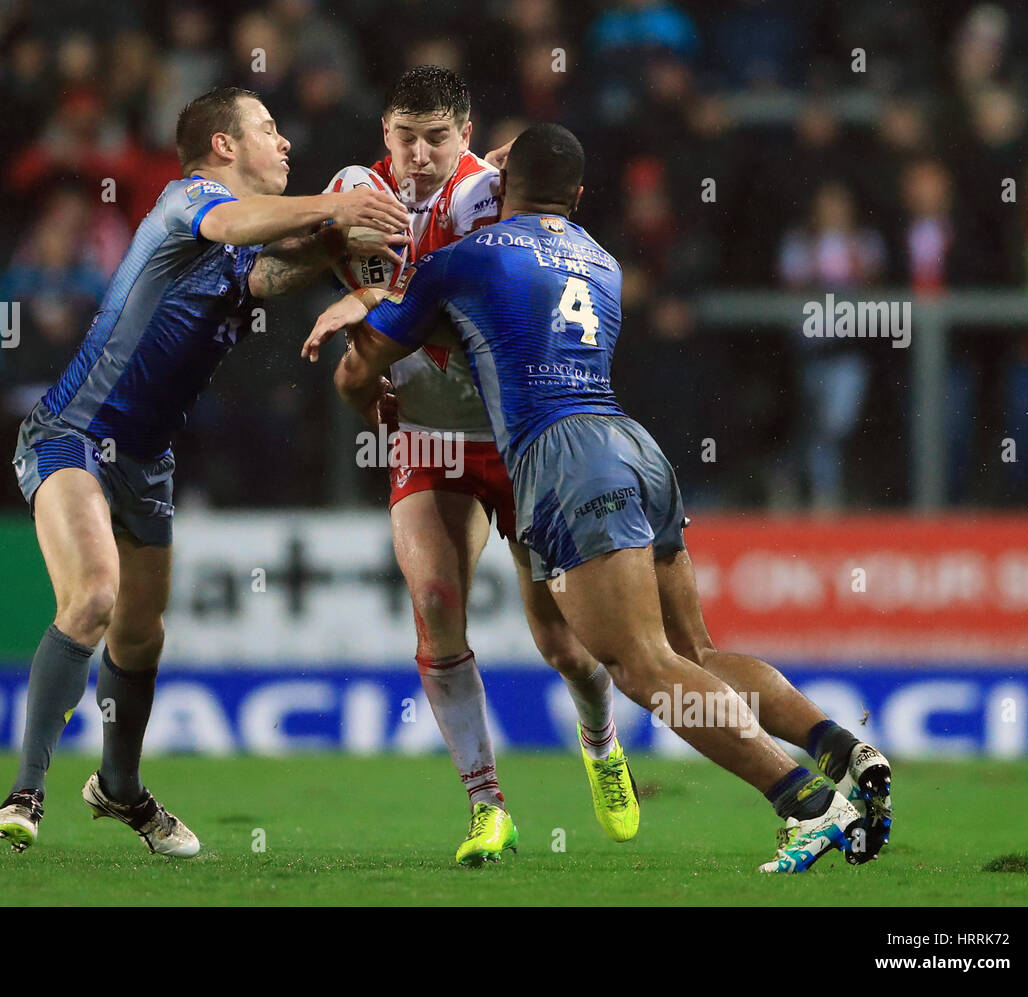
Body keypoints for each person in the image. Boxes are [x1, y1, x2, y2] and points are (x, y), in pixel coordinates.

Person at [306, 123, 893, 872]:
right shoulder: (603, 261)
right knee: (695, 652)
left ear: (498, 188)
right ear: (578, 197)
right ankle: (841, 747)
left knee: (642, 667)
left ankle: (804, 803)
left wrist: (362, 303)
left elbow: (368, 366)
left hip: (562, 458)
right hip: (632, 446)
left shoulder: (461, 260)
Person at [0, 85, 410, 855]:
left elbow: (266, 275)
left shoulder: (238, 245)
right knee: (94, 597)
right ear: (223, 146)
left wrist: (344, 255)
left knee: (141, 638)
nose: (284, 142)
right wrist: (334, 206)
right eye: (268, 129)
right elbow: (238, 222)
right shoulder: (189, 201)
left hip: (145, 460)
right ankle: (26, 790)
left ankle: (118, 789)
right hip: (73, 434)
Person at [323, 66, 636, 866]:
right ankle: (487, 806)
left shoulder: (492, 200)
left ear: (466, 134)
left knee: (563, 642)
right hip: (429, 435)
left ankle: (599, 740)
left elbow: (487, 285)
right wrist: (324, 243)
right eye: (405, 136)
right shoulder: (354, 191)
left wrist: (365, 305)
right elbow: (307, 255)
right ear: (384, 135)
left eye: (437, 138)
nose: (420, 155)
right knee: (434, 600)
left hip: (516, 432)